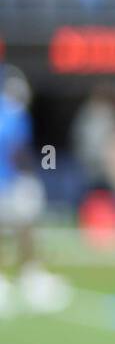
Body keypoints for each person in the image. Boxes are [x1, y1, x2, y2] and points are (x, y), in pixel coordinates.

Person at [0, 65, 72, 316]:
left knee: (19, 227)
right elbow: (18, 151)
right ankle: (30, 275)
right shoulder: (14, 113)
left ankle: (23, 277)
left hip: (8, 183)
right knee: (26, 227)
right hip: (9, 183)